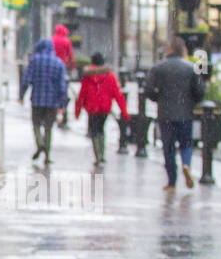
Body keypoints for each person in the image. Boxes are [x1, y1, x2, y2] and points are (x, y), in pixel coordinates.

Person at [144, 35, 206, 191]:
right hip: (186, 113)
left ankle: (172, 181)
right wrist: (192, 100)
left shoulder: (159, 67)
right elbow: (200, 91)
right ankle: (186, 164)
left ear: (169, 49)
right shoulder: (191, 67)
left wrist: (158, 98)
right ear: (183, 50)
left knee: (168, 147)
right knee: (186, 143)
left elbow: (148, 89)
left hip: (166, 114)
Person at [74, 52, 129, 169]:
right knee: (101, 129)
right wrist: (124, 111)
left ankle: (97, 155)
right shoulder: (110, 75)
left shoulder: (87, 76)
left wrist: (77, 111)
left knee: (94, 130)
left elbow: (82, 94)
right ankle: (102, 154)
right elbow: (118, 94)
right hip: (104, 108)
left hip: (92, 108)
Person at [20, 37, 68, 166]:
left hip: (37, 99)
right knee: (48, 127)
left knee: (36, 124)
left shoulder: (34, 61)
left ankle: (40, 143)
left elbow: (26, 79)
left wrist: (21, 95)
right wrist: (62, 103)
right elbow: (62, 86)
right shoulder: (58, 63)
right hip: (52, 101)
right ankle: (47, 155)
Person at [52, 24, 75, 127]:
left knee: (53, 91)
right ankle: (63, 113)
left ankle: (52, 114)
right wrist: (72, 66)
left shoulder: (52, 39)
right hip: (62, 68)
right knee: (63, 91)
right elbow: (70, 55)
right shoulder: (66, 41)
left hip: (52, 68)